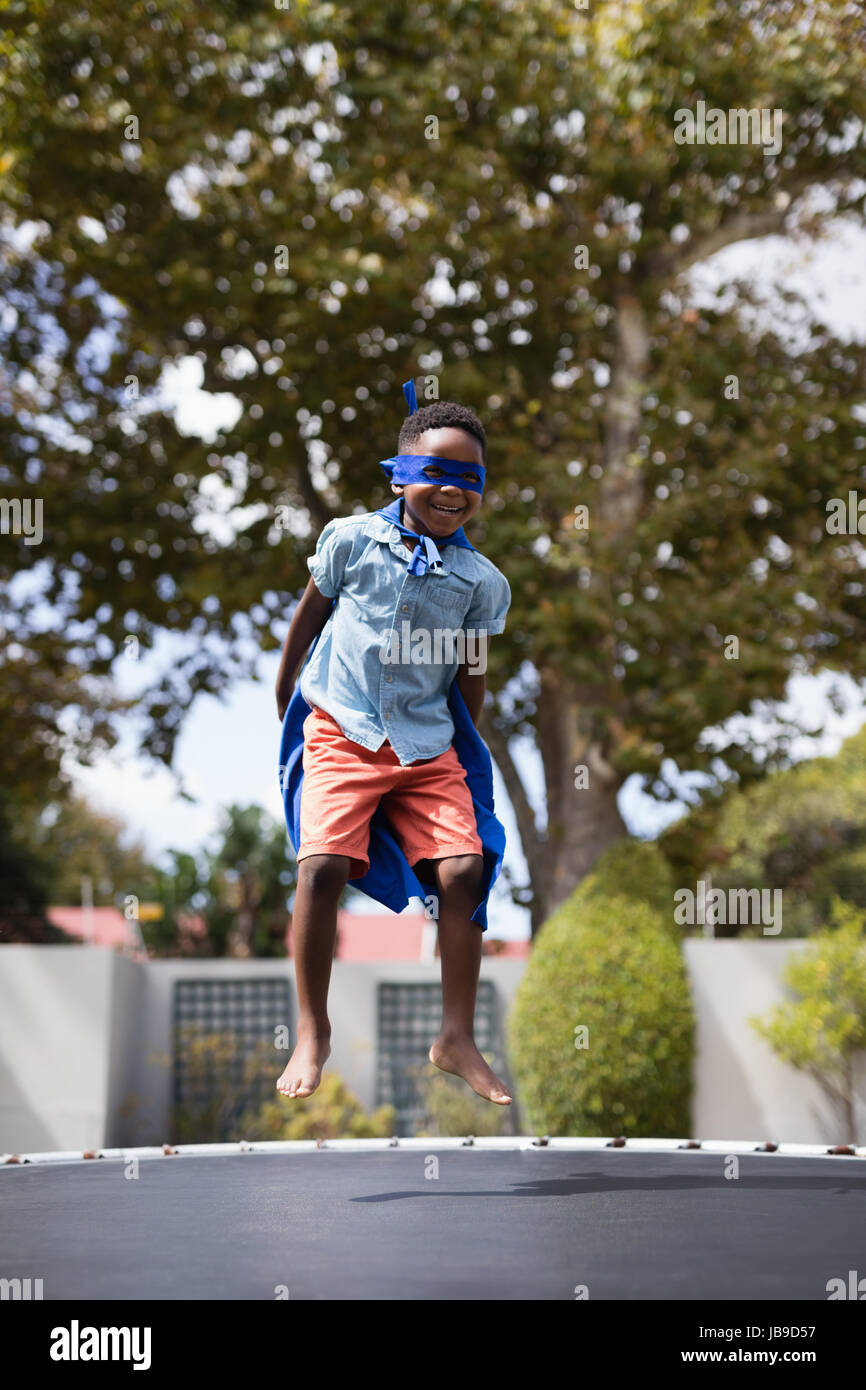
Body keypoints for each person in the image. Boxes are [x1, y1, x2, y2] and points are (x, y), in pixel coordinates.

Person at [274, 380, 512, 1105]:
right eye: (436, 472)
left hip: (426, 746)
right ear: (402, 474)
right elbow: (307, 622)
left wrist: (465, 753)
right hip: (343, 731)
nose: (452, 489)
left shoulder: (481, 581)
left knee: (465, 870)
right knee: (320, 869)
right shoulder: (350, 541)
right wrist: (285, 701)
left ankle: (456, 1036)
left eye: (469, 478)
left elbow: (470, 678)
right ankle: (313, 1029)